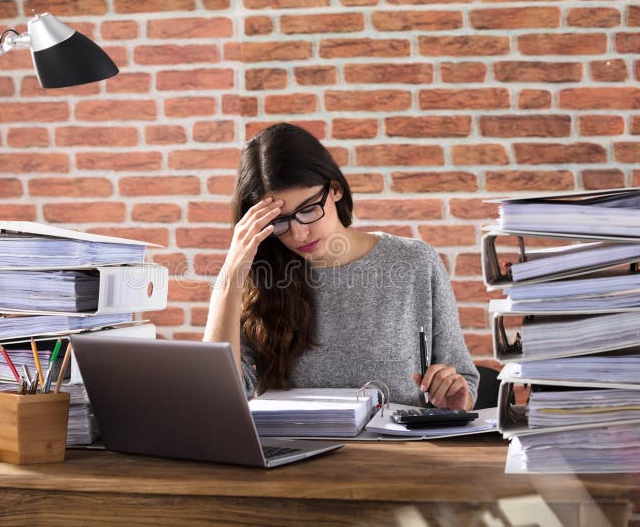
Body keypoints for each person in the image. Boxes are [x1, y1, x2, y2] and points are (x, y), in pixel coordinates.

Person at [203, 122, 479, 409]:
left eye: (308, 210)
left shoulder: (414, 263)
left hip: (400, 452)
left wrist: (456, 398)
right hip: (295, 451)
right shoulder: (261, 277)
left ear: (334, 189)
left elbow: (464, 381)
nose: (298, 234)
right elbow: (216, 398)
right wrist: (230, 274)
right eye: (278, 222)